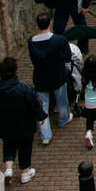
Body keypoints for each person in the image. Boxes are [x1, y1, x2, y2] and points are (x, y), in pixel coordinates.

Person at [0, 57, 45, 185]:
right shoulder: (24, 88)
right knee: (25, 147)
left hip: (4, 126)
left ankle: (9, 169)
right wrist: (41, 117)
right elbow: (35, 104)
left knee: (8, 145)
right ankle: (25, 172)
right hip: (25, 125)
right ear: (15, 71)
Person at [27, 12, 72, 146]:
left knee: (43, 106)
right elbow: (67, 57)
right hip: (57, 75)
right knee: (62, 100)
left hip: (40, 77)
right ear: (50, 23)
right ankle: (63, 119)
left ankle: (45, 135)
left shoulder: (31, 42)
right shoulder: (59, 40)